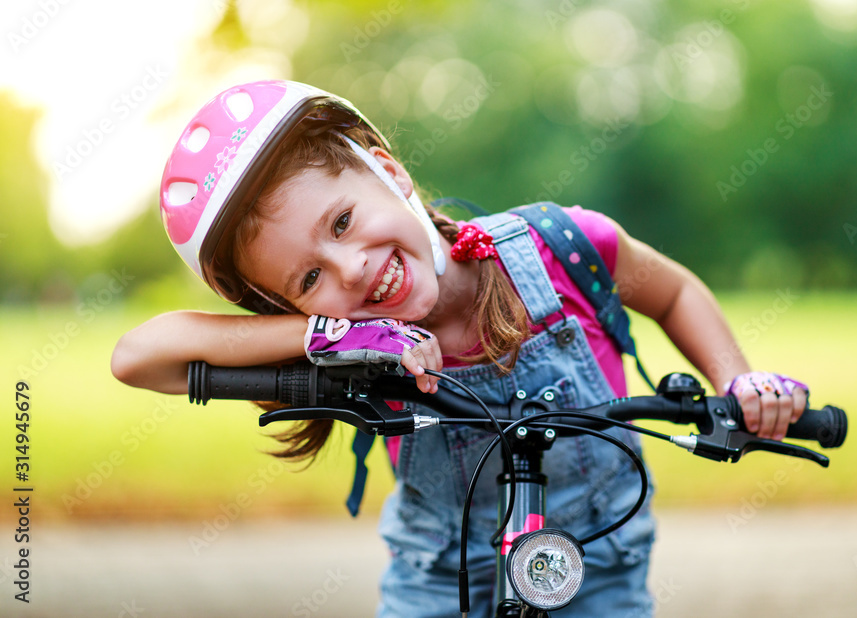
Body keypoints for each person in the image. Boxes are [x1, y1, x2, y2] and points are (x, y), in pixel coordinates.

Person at [112, 80, 809, 617]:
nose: (350, 269)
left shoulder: (561, 247)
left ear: (390, 173)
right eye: (309, 277)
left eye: (345, 221)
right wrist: (326, 334)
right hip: (438, 585)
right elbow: (140, 356)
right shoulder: (341, 348)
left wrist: (737, 382)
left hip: (598, 566)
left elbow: (674, 292)